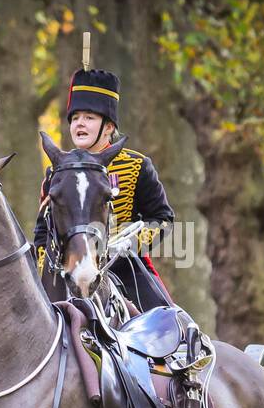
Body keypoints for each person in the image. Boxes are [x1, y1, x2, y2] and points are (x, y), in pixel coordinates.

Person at [33, 68, 175, 311]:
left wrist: (127, 245)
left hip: (125, 270)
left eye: (89, 117)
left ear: (108, 127)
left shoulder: (137, 165)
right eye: (75, 118)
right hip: (65, 272)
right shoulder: (56, 172)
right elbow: (42, 232)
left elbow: (162, 220)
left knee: (169, 326)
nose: (79, 123)